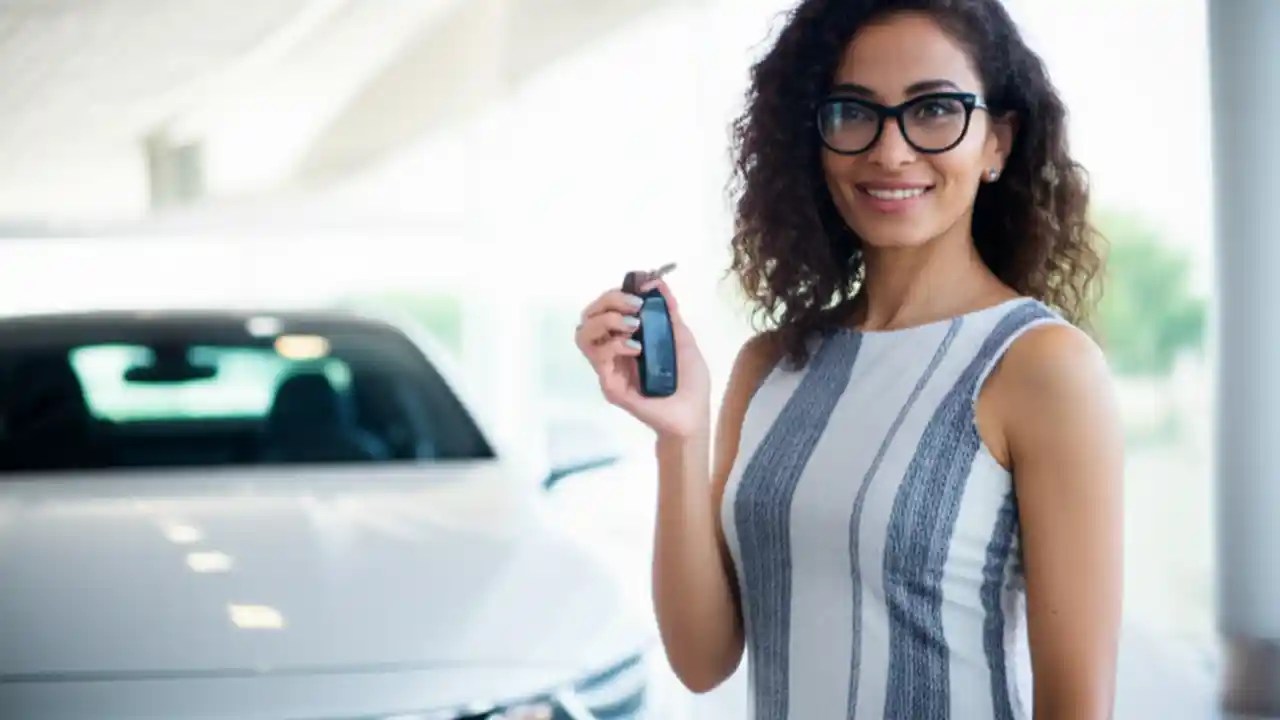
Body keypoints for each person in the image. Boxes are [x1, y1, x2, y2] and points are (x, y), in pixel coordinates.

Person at [573, 0, 1123, 717]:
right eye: (852, 112)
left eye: (934, 110)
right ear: (816, 139)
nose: (890, 151)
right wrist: (680, 436)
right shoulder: (768, 365)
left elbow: (1077, 706)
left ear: (998, 142)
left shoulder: (1040, 367)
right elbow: (702, 661)